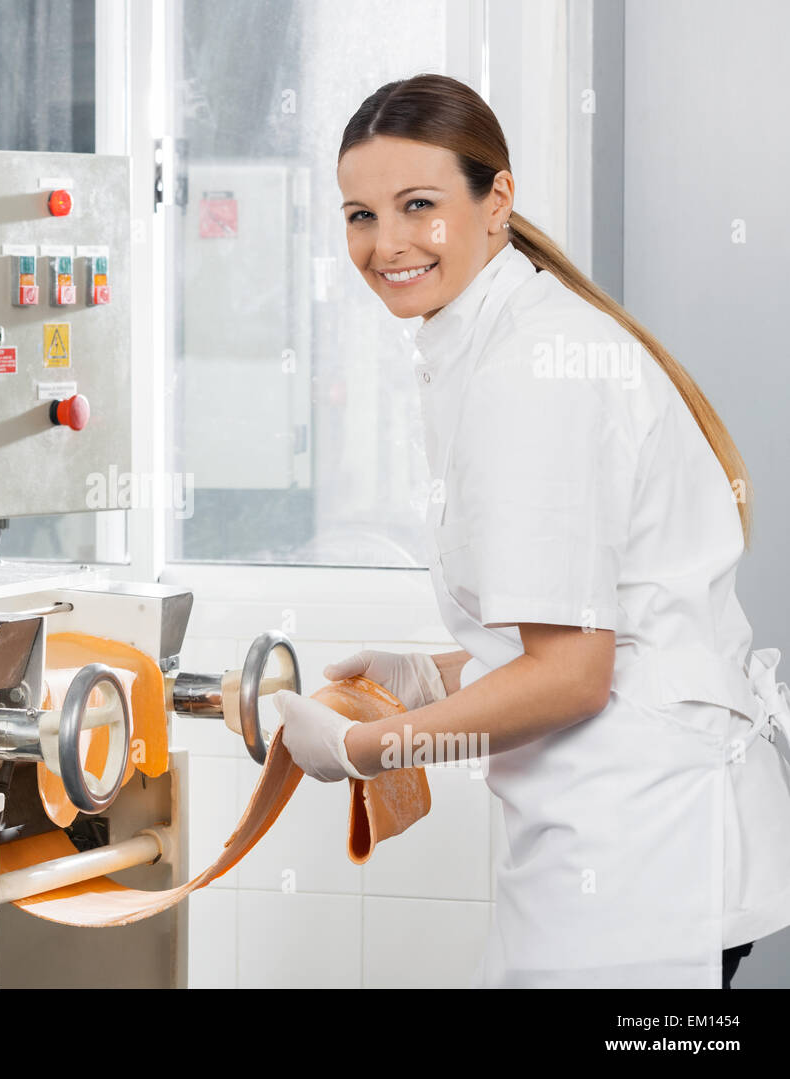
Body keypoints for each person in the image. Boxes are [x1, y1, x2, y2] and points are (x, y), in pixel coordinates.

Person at [273, 73, 790, 989]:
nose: (385, 243)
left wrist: (367, 747)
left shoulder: (532, 370)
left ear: (496, 199)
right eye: (360, 214)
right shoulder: (496, 341)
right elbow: (586, 625)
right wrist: (432, 673)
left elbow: (575, 674)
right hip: (616, 839)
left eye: (418, 206)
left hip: (641, 855)